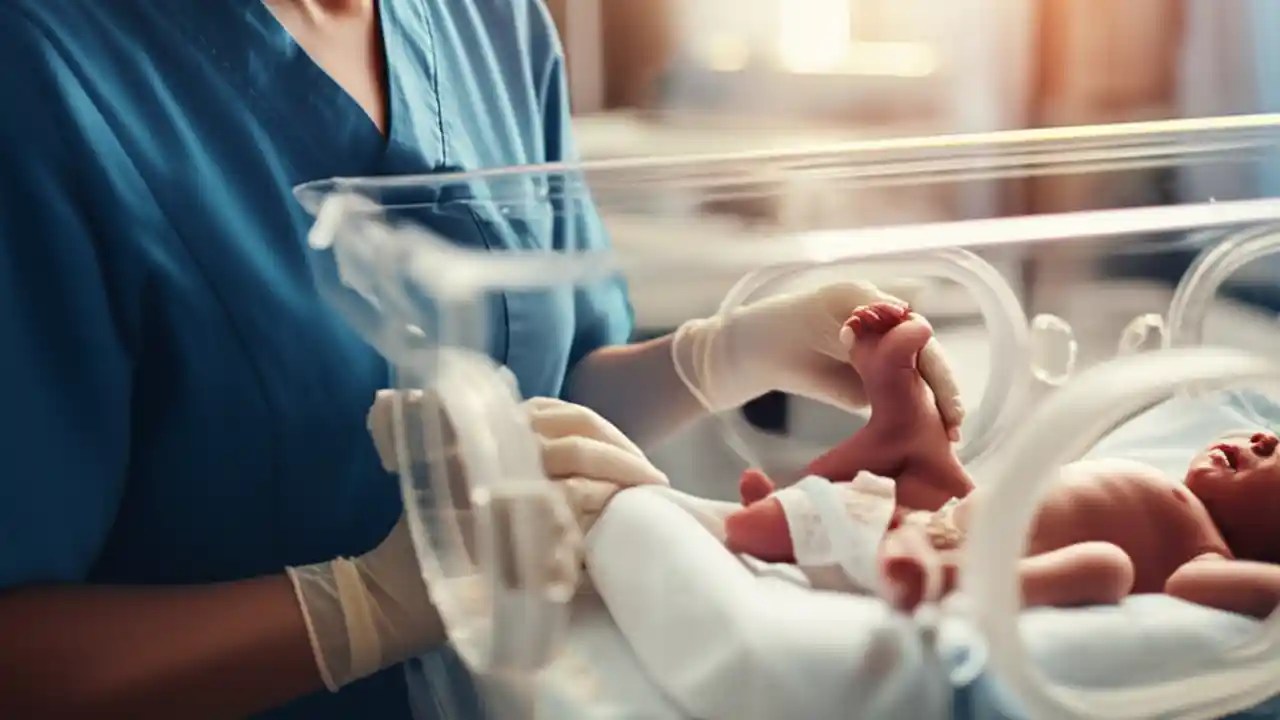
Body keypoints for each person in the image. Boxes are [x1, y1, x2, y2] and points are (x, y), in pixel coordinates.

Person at [0, 2, 965, 717]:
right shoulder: (43, 70)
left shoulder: (489, 25)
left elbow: (551, 401)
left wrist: (720, 357)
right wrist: (363, 609)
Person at [725, 302, 1280, 620]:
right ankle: (811, 495)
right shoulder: (1164, 479)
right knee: (920, 461)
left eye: (1275, 454)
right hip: (953, 511)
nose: (1262, 438)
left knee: (1106, 569)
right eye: (1266, 436)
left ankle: (947, 581)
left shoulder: (1210, 554)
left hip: (985, 556)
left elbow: (1195, 590)